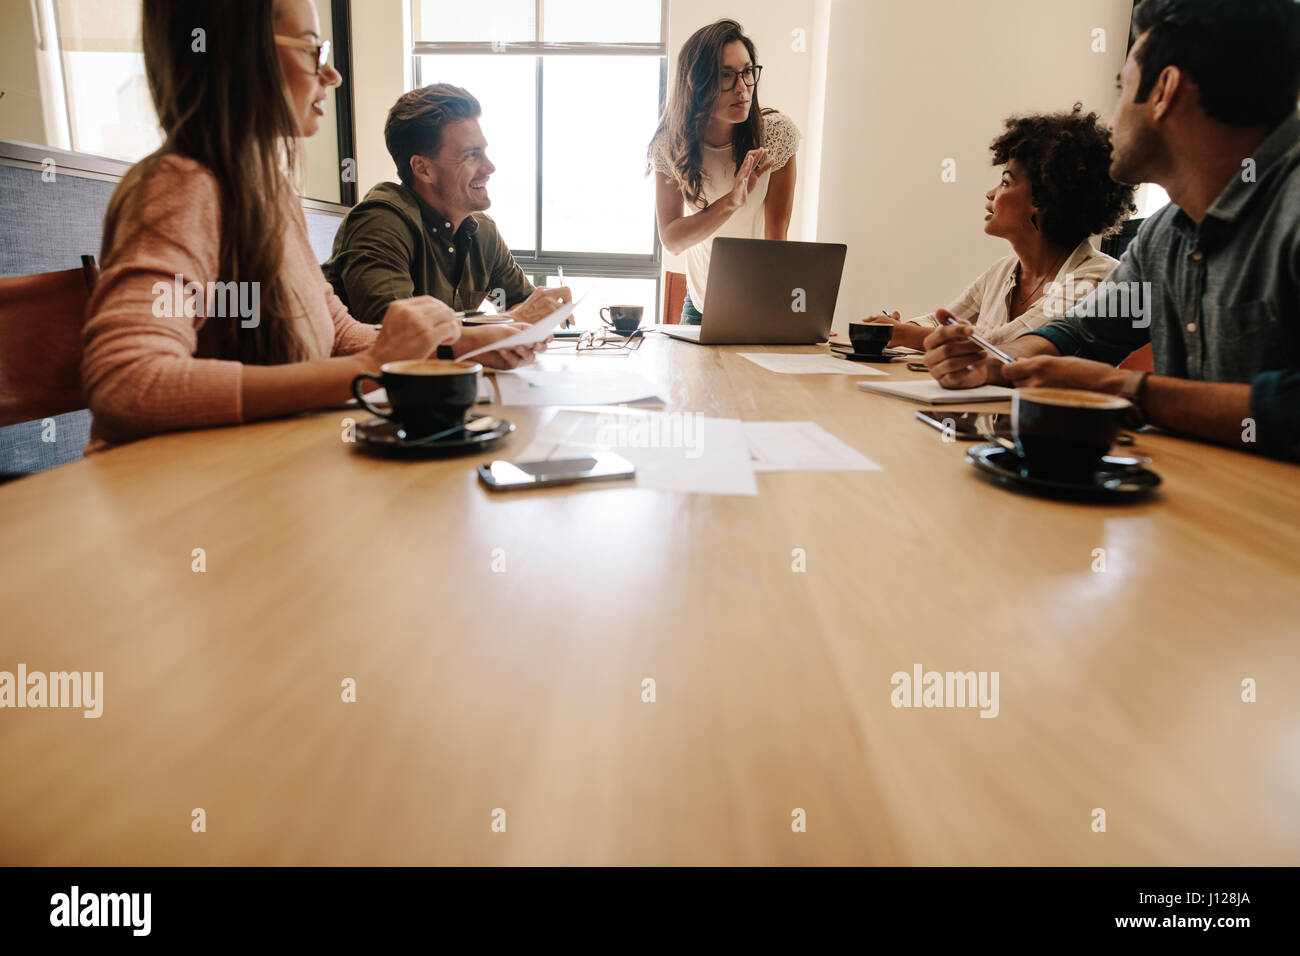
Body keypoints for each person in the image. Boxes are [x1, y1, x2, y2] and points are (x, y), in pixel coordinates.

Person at [82, 0, 542, 451]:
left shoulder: (269, 194)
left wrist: (466, 342)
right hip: (179, 497)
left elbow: (339, 334)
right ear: (243, 55)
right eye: (311, 50)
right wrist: (375, 364)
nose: (332, 75)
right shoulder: (181, 186)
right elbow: (129, 384)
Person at [923, 0, 1300, 462]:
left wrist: (1125, 388)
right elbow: (1081, 333)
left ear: (1165, 90)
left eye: (1122, 88)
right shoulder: (1165, 236)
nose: (1113, 115)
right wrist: (996, 365)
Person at [866, 107, 1134, 350]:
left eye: (1006, 182)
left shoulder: (1098, 277)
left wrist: (901, 334)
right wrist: (900, 328)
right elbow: (941, 323)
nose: (990, 193)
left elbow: (1009, 344)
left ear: (1043, 200)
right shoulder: (1002, 271)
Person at [324, 84, 571, 326]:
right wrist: (512, 319)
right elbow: (396, 332)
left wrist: (540, 309)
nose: (489, 168)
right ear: (423, 169)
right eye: (471, 155)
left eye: (484, 152)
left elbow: (522, 304)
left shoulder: (482, 231)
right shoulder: (380, 221)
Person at [648, 19, 800, 324]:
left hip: (760, 304)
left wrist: (790, 318)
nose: (742, 88)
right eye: (726, 76)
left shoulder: (776, 135)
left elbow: (776, 237)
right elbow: (673, 240)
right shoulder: (671, 143)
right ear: (696, 82)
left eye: (746, 72)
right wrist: (731, 202)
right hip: (700, 305)